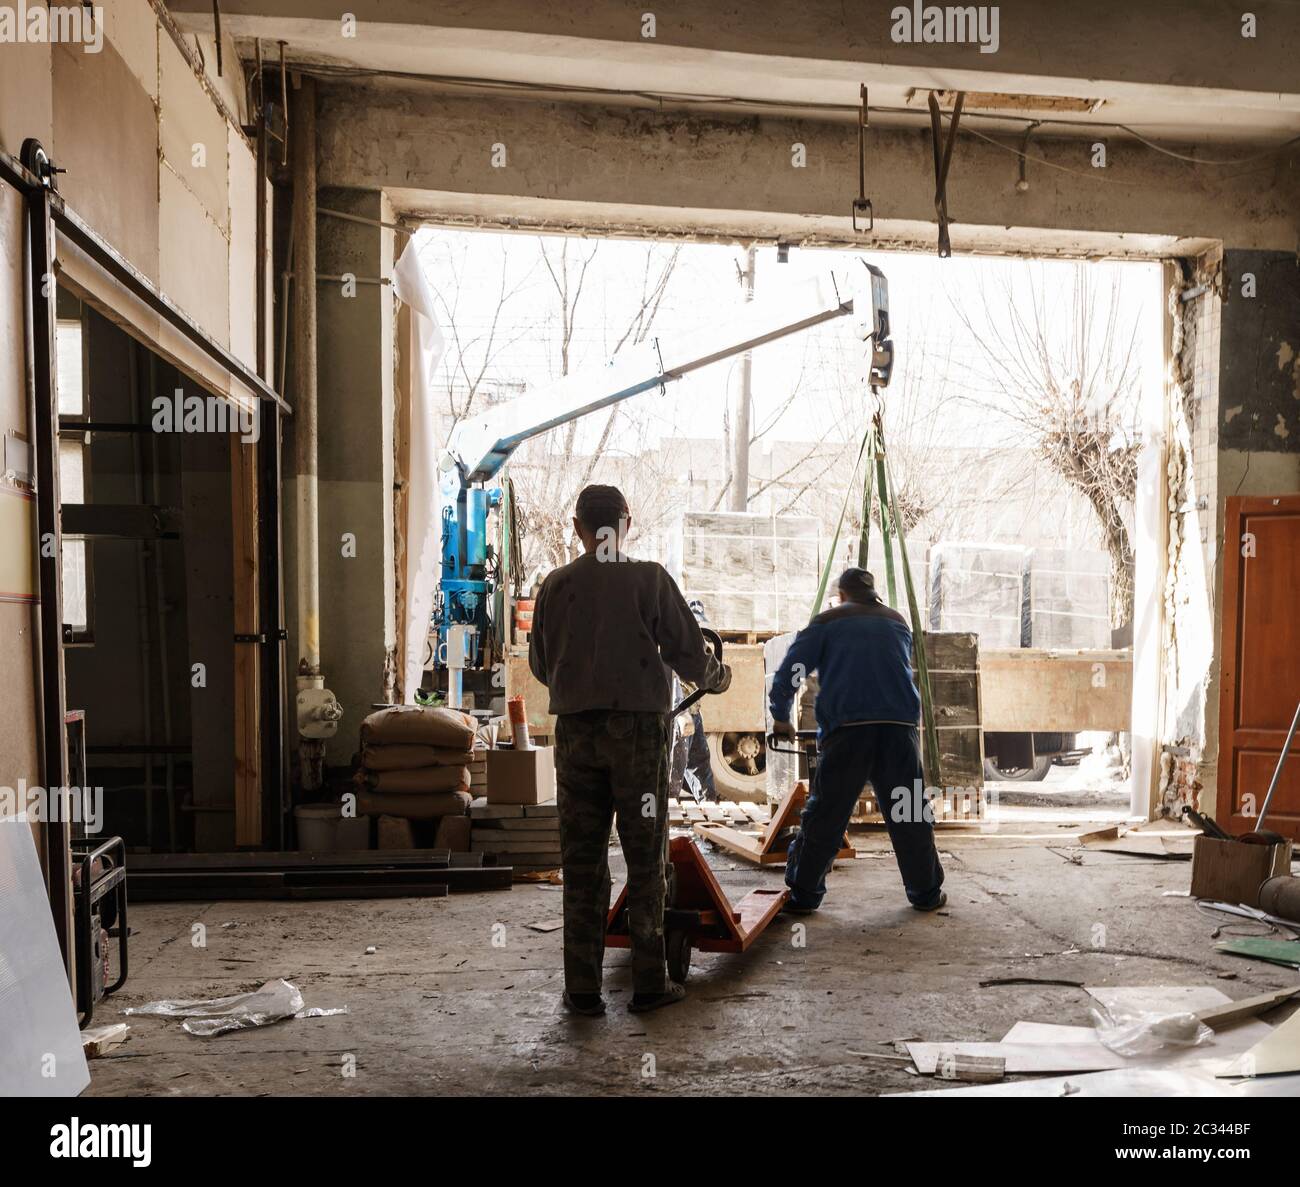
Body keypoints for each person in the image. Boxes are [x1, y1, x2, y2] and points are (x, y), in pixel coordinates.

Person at [529, 485, 730, 1016]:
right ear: (626, 523)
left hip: (574, 737)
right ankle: (649, 983)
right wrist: (717, 676)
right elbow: (690, 654)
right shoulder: (649, 579)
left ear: (577, 527)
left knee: (582, 859)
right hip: (638, 736)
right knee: (645, 857)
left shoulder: (555, 586)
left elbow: (540, 665)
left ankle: (582, 989)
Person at [768, 567, 945, 914]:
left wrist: (779, 715)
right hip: (899, 729)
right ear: (872, 593)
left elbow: (792, 669)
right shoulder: (896, 621)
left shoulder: (827, 621)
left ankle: (804, 895)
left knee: (828, 814)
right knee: (909, 813)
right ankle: (925, 893)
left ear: (842, 594)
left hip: (849, 730)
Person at [678, 600, 720, 803]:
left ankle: (709, 818)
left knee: (700, 765)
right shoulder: (674, 643)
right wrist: (681, 713)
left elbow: (710, 676)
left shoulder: (699, 646)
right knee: (673, 772)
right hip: (678, 713)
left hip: (692, 711)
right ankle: (660, 824)